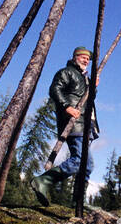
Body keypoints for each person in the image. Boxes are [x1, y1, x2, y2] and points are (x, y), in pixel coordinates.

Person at [29, 46, 99, 206]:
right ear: (75, 57)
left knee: (87, 165)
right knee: (80, 160)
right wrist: (67, 107)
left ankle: (78, 201)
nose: (86, 60)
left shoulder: (84, 78)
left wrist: (93, 86)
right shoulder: (67, 72)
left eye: (88, 59)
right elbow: (55, 90)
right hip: (75, 123)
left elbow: (88, 99)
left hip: (86, 124)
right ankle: (43, 181)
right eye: (83, 57)